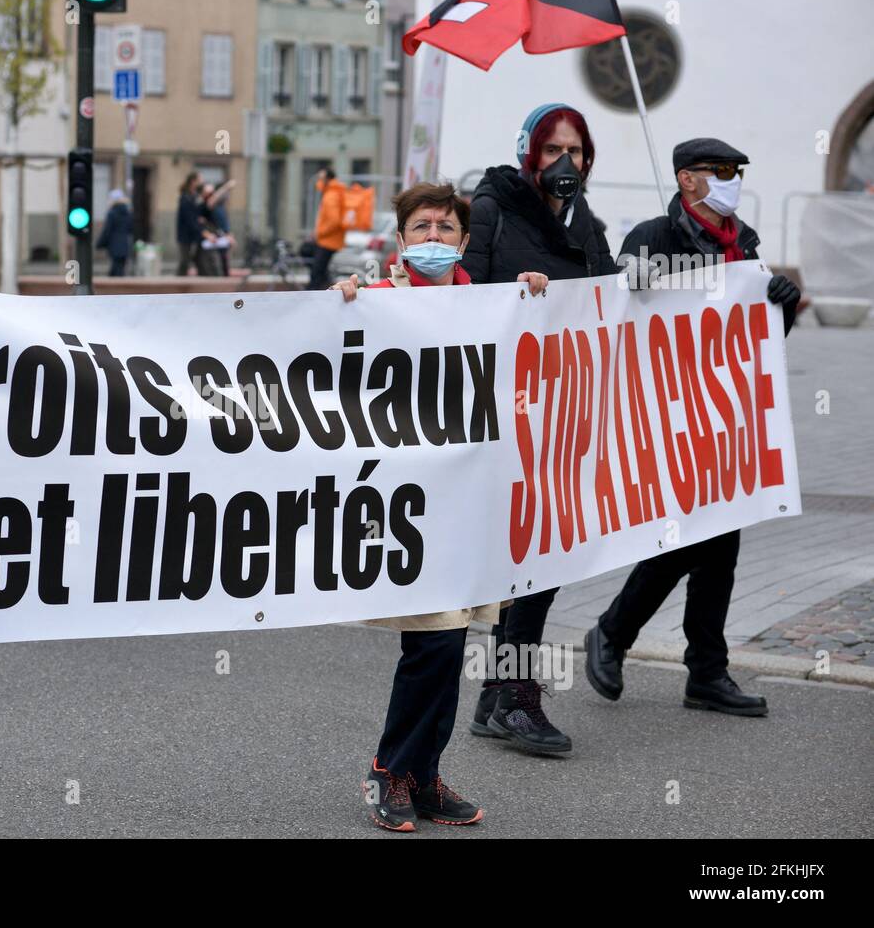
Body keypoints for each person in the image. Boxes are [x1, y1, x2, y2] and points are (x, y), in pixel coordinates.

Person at [331, 183, 547, 832]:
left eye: (444, 228)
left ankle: (422, 774)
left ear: (462, 239)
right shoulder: (379, 302)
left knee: (451, 641)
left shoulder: (489, 303)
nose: (432, 238)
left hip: (465, 505)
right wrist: (338, 308)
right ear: (399, 241)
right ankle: (389, 769)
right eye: (420, 227)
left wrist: (539, 296)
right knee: (432, 641)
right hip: (404, 503)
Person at [585, 138, 800, 718]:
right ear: (688, 180)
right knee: (688, 535)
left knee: (720, 542)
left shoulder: (744, 243)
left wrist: (784, 306)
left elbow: (756, 342)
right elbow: (616, 305)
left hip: (725, 419)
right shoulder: (653, 236)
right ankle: (616, 633)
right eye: (722, 171)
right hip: (662, 414)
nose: (732, 180)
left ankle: (704, 670)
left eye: (736, 171)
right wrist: (642, 277)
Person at [463, 103, 617, 757]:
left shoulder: (589, 227)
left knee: (537, 557)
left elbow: (616, 303)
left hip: (561, 414)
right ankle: (517, 699)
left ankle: (497, 696)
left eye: (576, 152)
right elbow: (462, 291)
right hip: (499, 408)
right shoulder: (492, 209)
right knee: (527, 557)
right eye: (553, 149)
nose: (565, 163)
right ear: (530, 152)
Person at [305, 166, 347, 291]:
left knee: (316, 272)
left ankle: (314, 293)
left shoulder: (331, 196)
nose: (319, 182)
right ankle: (324, 281)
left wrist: (319, 233)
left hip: (328, 241)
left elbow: (334, 221)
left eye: (321, 179)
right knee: (308, 253)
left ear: (328, 180)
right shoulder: (333, 193)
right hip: (329, 240)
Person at [96, 189, 133, 277]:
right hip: (125, 245)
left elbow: (107, 230)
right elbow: (130, 229)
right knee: (120, 269)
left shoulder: (112, 213)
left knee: (115, 271)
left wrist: (99, 244)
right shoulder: (127, 213)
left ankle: (116, 289)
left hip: (114, 245)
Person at [203, 179, 236, 275]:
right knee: (217, 268)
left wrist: (230, 235)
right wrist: (226, 187)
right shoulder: (214, 205)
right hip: (216, 240)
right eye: (226, 194)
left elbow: (225, 224)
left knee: (225, 266)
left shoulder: (221, 207)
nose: (228, 196)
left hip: (223, 240)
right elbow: (212, 201)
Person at [176, 172, 203, 276]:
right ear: (193, 181)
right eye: (200, 179)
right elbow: (189, 217)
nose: (201, 182)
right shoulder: (185, 197)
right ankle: (178, 282)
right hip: (185, 234)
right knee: (185, 261)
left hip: (193, 233)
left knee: (193, 258)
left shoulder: (195, 195)